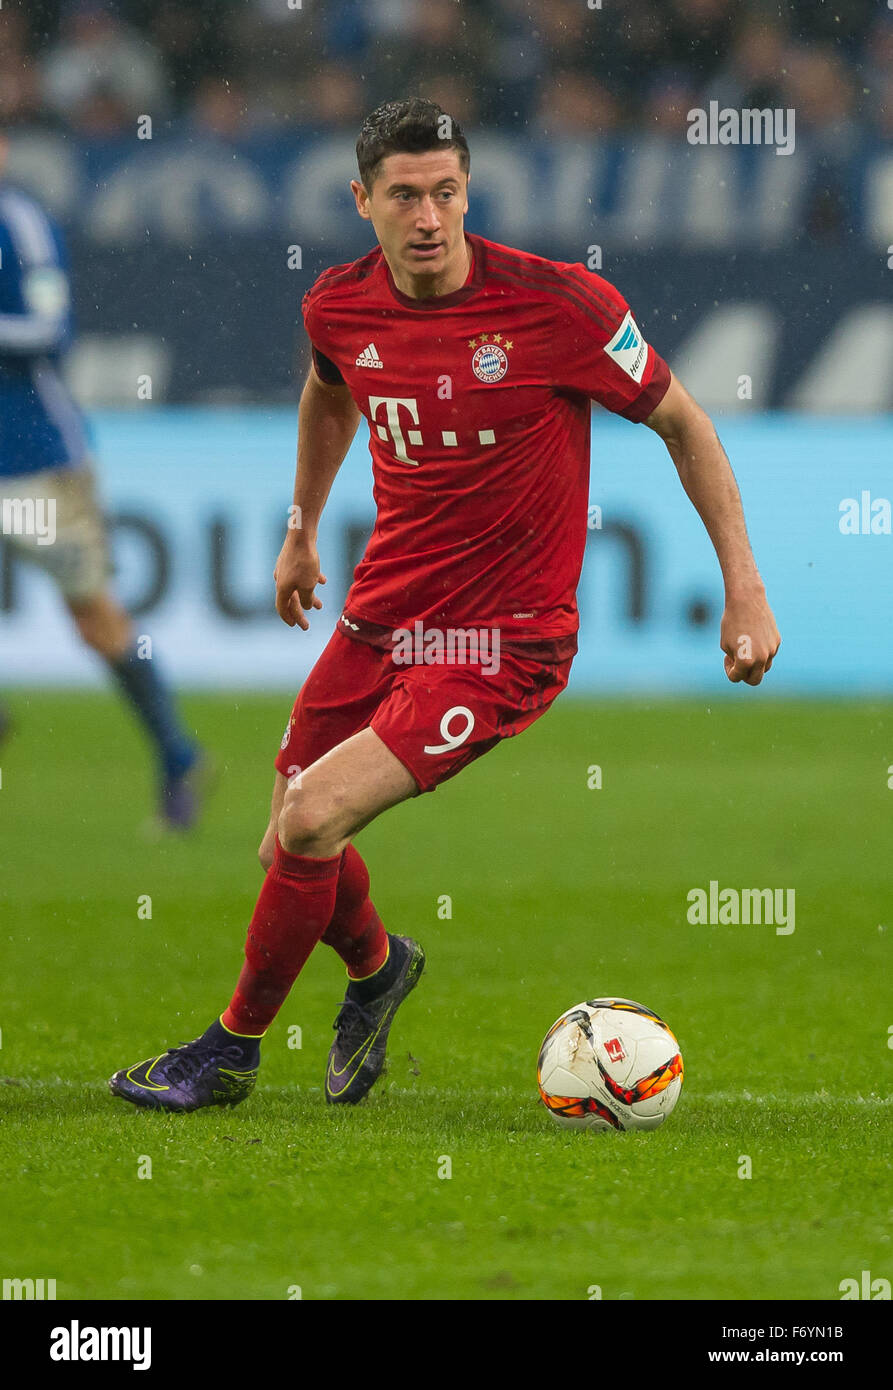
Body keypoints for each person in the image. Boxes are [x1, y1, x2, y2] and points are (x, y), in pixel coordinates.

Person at [110, 97, 780, 1111]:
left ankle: (227, 1052)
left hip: (500, 641)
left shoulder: (561, 307)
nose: (427, 218)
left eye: (446, 193)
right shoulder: (337, 306)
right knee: (286, 838)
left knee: (310, 819)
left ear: (467, 191)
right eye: (404, 196)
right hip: (382, 615)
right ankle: (378, 969)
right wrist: (300, 527)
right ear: (362, 200)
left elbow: (684, 425)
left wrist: (744, 589)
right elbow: (331, 390)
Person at [0, 129, 207, 828]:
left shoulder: (19, 224)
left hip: (33, 471)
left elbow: (50, 332)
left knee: (94, 617)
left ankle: (179, 756)